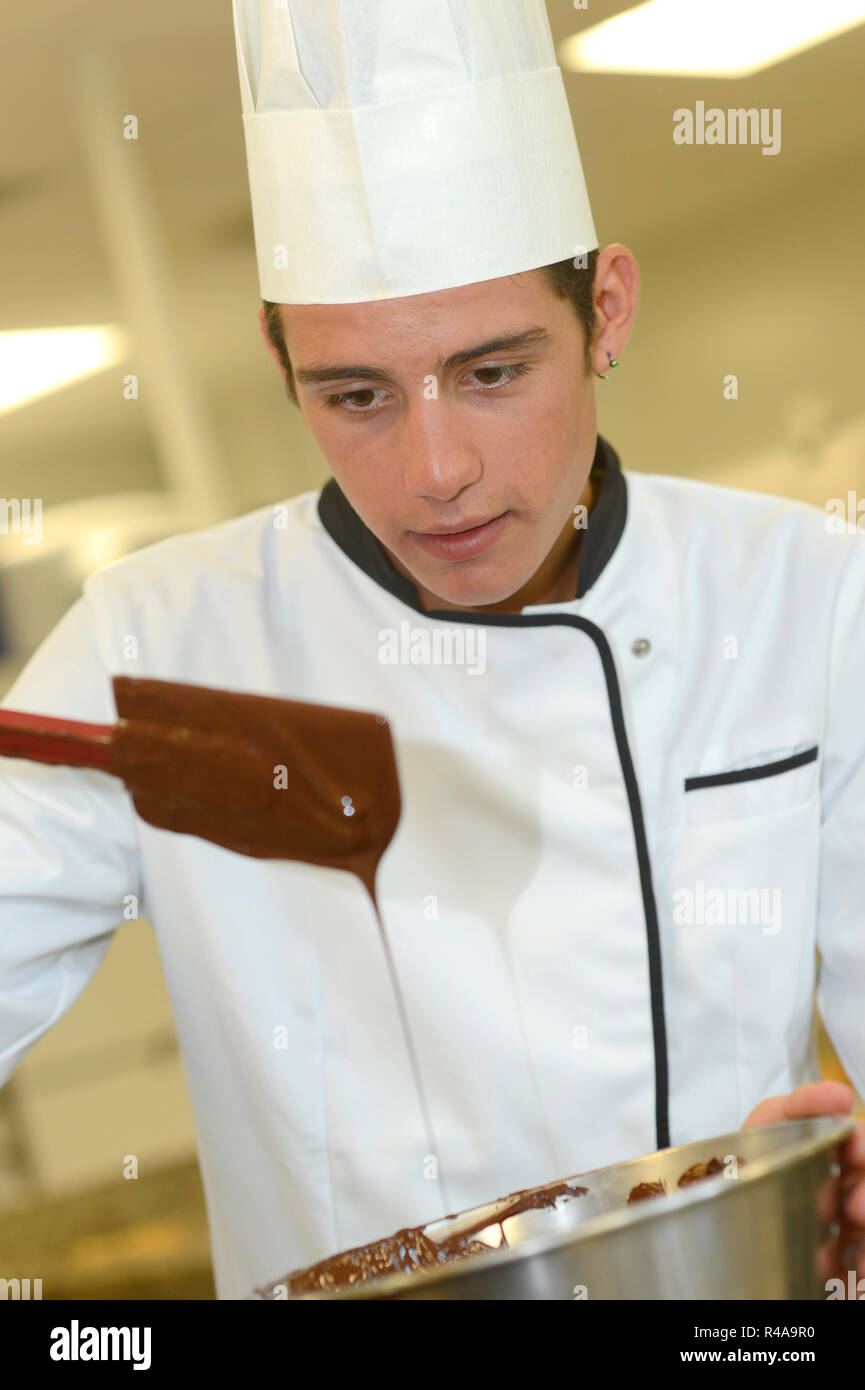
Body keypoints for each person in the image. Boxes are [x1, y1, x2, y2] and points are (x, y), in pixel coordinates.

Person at [0, 0, 862, 1299]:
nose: (435, 470)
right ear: (277, 358)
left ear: (606, 309)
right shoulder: (159, 645)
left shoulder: (806, 594)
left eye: (493, 372)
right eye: (354, 396)